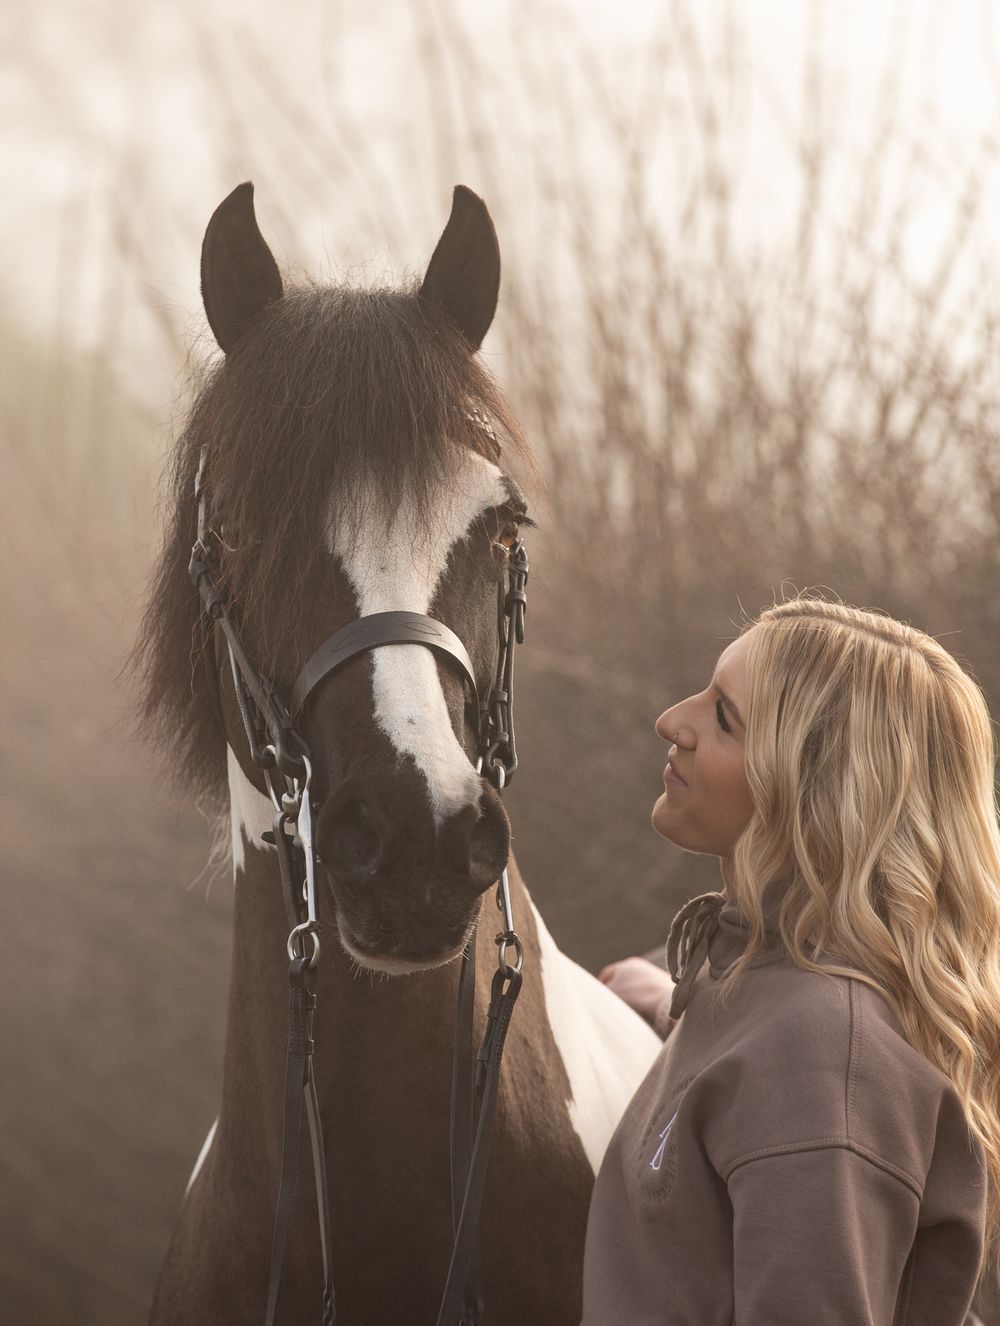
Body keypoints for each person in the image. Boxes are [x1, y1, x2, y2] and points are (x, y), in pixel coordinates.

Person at [582, 594, 1000, 1326]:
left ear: (817, 792)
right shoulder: (768, 988)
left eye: (723, 718)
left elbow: (809, 1094)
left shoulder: (824, 1061)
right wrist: (671, 1003)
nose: (672, 722)